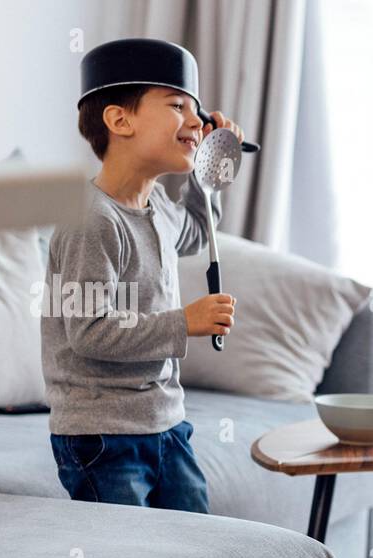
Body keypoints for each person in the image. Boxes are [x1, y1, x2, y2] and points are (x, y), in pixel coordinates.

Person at [42, 39, 244, 511]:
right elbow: (89, 332)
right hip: (103, 436)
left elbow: (197, 231)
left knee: (192, 549)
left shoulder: (158, 209)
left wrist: (212, 173)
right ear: (120, 120)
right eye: (177, 106)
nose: (196, 122)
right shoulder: (91, 220)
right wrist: (183, 322)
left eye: (197, 113)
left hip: (167, 423)